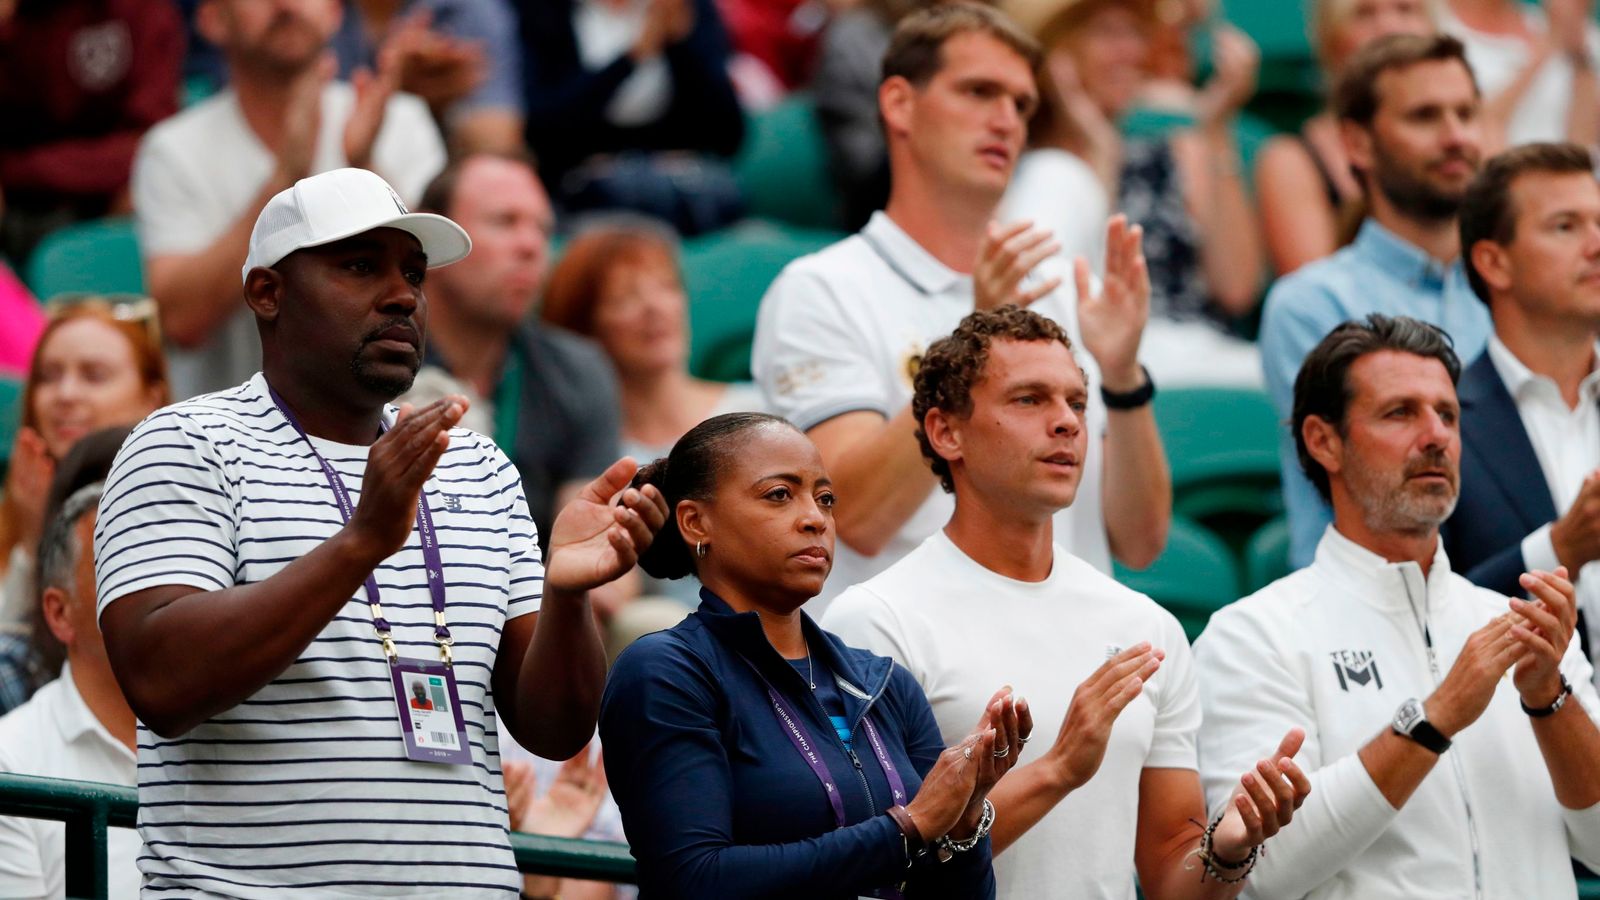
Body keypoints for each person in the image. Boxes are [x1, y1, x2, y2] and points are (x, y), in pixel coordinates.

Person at [93, 166, 668, 894]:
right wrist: (362, 541)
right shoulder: (186, 443)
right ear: (267, 293)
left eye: (414, 274)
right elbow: (161, 681)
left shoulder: (479, 467)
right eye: (360, 267)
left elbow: (553, 728)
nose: (401, 295)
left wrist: (565, 596)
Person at [825, 307, 1311, 899]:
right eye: (1029, 400)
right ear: (946, 432)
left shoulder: (1147, 629)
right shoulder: (874, 620)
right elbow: (875, 869)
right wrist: (1057, 770)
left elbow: (1170, 879)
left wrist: (1229, 849)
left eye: (1077, 403)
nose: (1066, 423)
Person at [754, 2, 1171, 607]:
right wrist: (973, 337)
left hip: (1072, 655)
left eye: (1021, 104)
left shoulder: (1062, 287)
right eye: (979, 92)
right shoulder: (822, 287)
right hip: (905, 678)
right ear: (899, 104)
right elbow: (856, 519)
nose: (1005, 119)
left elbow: (1140, 542)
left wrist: (1125, 378)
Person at [1195, 313, 1600, 899]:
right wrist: (1432, 721)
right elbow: (1265, 872)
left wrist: (1548, 700)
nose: (1436, 435)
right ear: (1323, 441)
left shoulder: (1526, 625)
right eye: (1399, 412)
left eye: (1448, 414)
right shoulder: (1252, 636)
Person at [602, 411, 1018, 897]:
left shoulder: (885, 683)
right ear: (696, 522)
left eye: (825, 499)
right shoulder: (668, 671)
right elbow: (694, 878)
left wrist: (964, 820)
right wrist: (909, 827)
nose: (814, 519)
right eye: (779, 495)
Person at [1259, 33, 1494, 569]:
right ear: (1358, 143)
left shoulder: (1509, 292)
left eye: (1466, 113)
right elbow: (1387, 488)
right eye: (1425, 117)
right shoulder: (1311, 303)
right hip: (1363, 609)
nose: (1456, 136)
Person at [134, 0, 446, 400]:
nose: (284, 5)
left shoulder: (400, 120)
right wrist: (285, 178)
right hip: (228, 442)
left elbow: (442, 299)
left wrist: (365, 164)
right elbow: (180, 323)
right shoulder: (172, 149)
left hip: (385, 427)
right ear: (212, 19)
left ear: (335, 12)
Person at [999, 0, 1267, 388]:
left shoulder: (1176, 148)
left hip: (1195, 352)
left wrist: (1216, 132)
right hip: (1089, 358)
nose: (1131, 51)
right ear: (1060, 52)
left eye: (1136, 34)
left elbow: (1238, 289)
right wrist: (1100, 153)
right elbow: (1081, 294)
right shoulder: (1022, 163)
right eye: (1108, 33)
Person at [540, 216, 765, 602]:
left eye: (666, 287)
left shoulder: (758, 411)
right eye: (624, 297)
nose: (654, 308)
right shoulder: (597, 464)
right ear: (584, 329)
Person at [405, 153, 624, 548]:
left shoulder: (579, 369)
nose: (531, 246)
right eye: (505, 222)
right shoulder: (367, 358)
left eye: (542, 229)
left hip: (532, 597)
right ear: (430, 241)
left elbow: (592, 549)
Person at [1443, 142, 1600, 686]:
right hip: (1517, 732)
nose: (1597, 245)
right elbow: (1424, 611)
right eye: (1565, 227)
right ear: (1493, 262)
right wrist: (1559, 550)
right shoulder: (1441, 420)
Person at [0, 484, 138, 900]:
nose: (156, 582)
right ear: (60, 613)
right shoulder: (11, 759)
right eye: (120, 564)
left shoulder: (242, 727)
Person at [0, 300, 168, 640]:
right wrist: (33, 544)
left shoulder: (190, 500)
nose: (65, 394)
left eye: (94, 376)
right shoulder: (11, 509)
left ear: (152, 397)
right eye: (48, 376)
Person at [512, 0, 747, 234]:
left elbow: (728, 134)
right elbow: (543, 128)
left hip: (681, 184)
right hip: (581, 183)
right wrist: (630, 59)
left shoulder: (687, 7)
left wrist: (681, 43)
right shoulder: (543, 10)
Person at [1254, 0, 1436, 275]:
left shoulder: (1472, 141)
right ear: (1331, 39)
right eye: (1364, 13)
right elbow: (1316, 300)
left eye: (1406, 9)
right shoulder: (1290, 159)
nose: (1390, 27)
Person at [0, 0, 182, 267]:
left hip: (110, 199)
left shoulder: (138, 9)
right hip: (15, 208)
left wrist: (21, 169)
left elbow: (154, 142)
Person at [330, 0, 528, 155]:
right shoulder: (305, 13)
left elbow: (496, 152)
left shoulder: (469, 11)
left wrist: (437, 109)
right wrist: (392, 87)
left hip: (425, 192)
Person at [1440, 0, 1600, 151]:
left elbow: (1585, 142)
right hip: (1499, 174)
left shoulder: (1563, 28)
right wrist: (1544, 52)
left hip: (1566, 173)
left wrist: (1578, 50)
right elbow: (1474, 125)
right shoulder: (1437, 28)